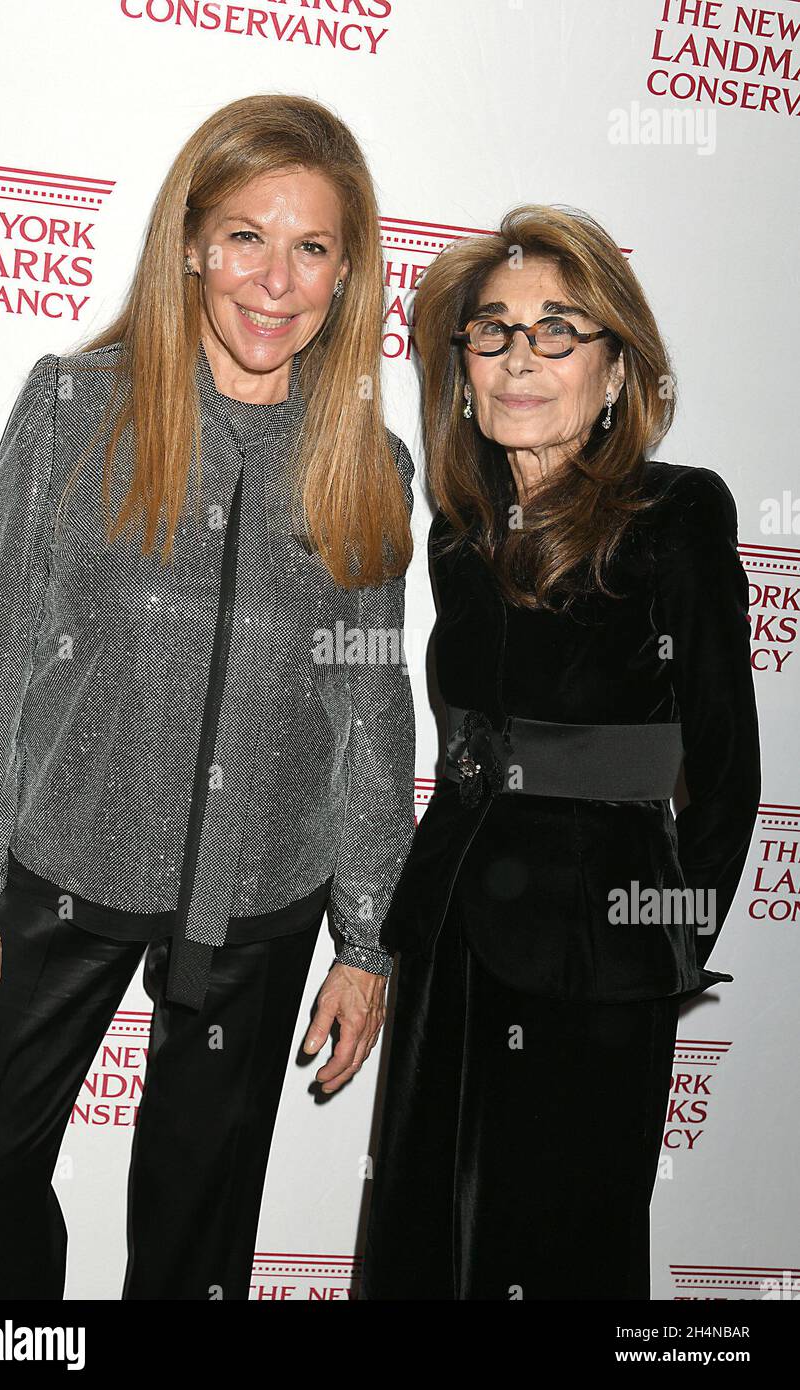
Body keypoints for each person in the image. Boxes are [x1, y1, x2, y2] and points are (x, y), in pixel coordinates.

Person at [0, 93, 416, 1301]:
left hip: (260, 895)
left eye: (311, 247)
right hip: (61, 870)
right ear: (192, 241)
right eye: (247, 235)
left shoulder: (366, 460)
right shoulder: (72, 406)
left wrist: (367, 937)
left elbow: (372, 708)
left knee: (198, 1241)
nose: (275, 278)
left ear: (347, 272)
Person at [360, 204, 760, 1301]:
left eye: (556, 331)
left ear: (616, 367)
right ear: (462, 365)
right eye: (491, 332)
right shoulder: (454, 523)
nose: (517, 358)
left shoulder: (675, 513)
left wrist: (661, 950)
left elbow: (726, 773)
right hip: (449, 932)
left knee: (555, 1251)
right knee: (419, 1234)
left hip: (597, 952)